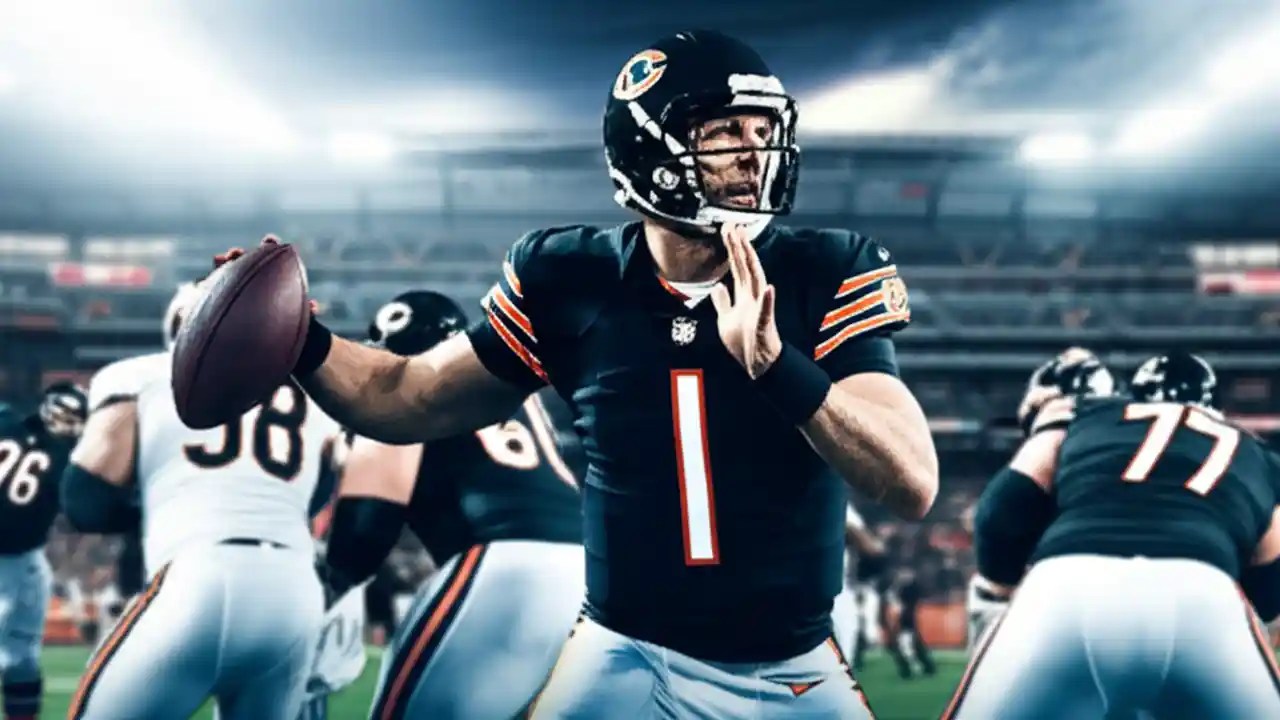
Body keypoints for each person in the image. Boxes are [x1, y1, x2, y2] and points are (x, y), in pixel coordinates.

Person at [208, 30, 937, 718]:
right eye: (724, 134)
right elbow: (409, 398)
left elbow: (910, 480)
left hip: (793, 668)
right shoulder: (570, 278)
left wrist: (776, 368)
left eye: (761, 131)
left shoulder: (827, 269)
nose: (754, 155)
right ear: (649, 147)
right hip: (624, 653)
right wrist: (301, 340)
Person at [948, 352, 1280, 719]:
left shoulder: (1091, 416)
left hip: (1069, 586)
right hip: (1204, 598)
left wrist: (1000, 589)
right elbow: (1270, 582)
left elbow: (1002, 511)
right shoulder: (1258, 456)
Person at [61, 282, 339, 720]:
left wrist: (155, 505)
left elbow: (87, 500)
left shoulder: (139, 374)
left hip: (198, 576)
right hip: (294, 591)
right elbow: (318, 491)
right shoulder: (314, 393)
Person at [316, 290, 584, 720]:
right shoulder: (515, 393)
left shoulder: (403, 387)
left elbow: (369, 521)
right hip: (588, 571)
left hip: (503, 566)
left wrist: (332, 583)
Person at [0, 383, 85, 720]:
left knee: (23, 658)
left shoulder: (6, 422)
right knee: (21, 656)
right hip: (18, 558)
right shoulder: (66, 457)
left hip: (27, 560)